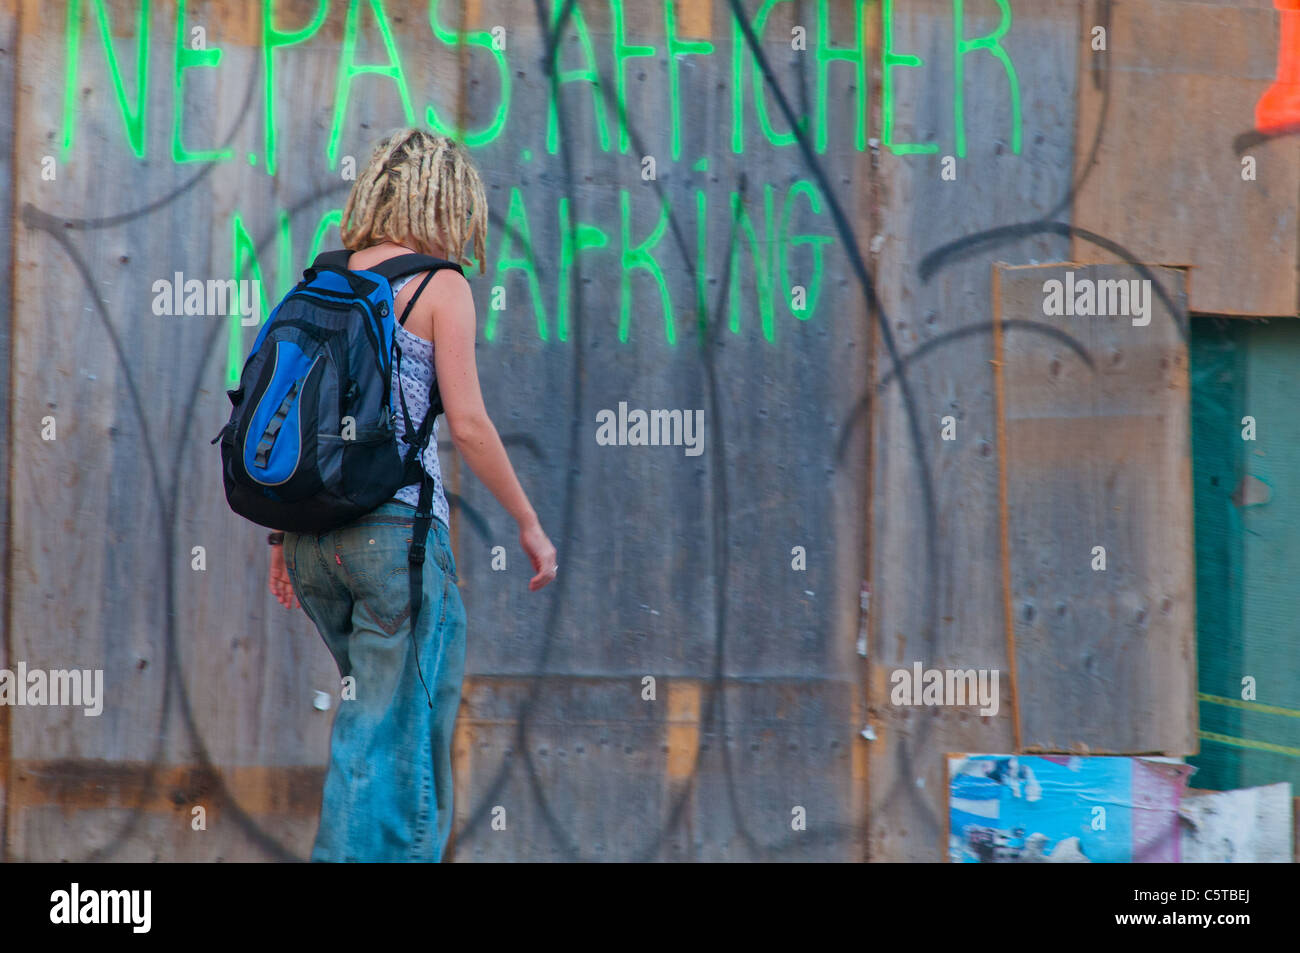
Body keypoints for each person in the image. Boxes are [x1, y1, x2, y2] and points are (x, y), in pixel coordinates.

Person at [265, 128, 556, 862]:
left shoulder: (321, 281)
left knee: (382, 731)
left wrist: (278, 539)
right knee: (396, 745)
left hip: (312, 544)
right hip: (396, 539)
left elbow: (287, 417)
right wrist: (528, 523)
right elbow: (470, 425)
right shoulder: (440, 286)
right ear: (450, 202)